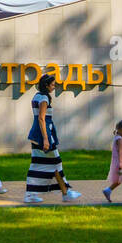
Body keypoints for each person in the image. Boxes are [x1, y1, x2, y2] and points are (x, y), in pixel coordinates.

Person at [24, 73, 81, 204]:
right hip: (43, 135)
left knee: (44, 164)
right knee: (54, 163)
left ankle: (64, 192)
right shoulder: (44, 98)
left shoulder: (37, 96)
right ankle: (64, 193)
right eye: (53, 84)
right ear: (46, 85)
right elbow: (41, 118)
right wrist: (45, 139)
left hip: (39, 134)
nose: (54, 87)